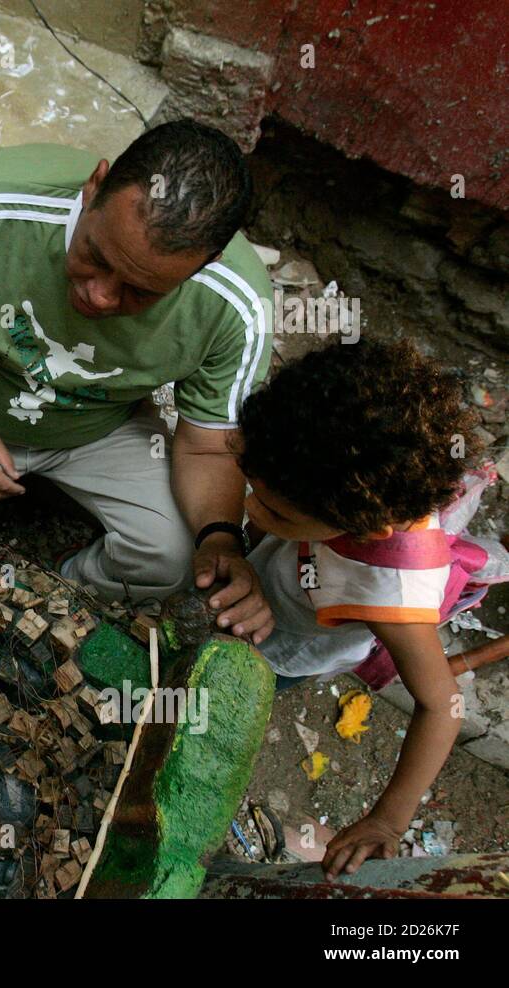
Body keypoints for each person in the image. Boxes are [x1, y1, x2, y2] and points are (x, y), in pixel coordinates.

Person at [0, 120, 275, 641]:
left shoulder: (237, 307)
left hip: (103, 429)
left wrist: (221, 538)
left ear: (205, 264)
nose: (101, 297)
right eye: (95, 258)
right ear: (94, 189)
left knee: (174, 560)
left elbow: (208, 446)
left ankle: (62, 584)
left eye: (140, 292)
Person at [236, 339, 509, 878]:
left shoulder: (389, 593)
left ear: (364, 531)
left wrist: (387, 821)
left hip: (290, 645)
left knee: (239, 681)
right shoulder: (329, 473)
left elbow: (442, 705)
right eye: (252, 488)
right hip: (284, 581)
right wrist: (266, 532)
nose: (248, 507)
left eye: (271, 509)